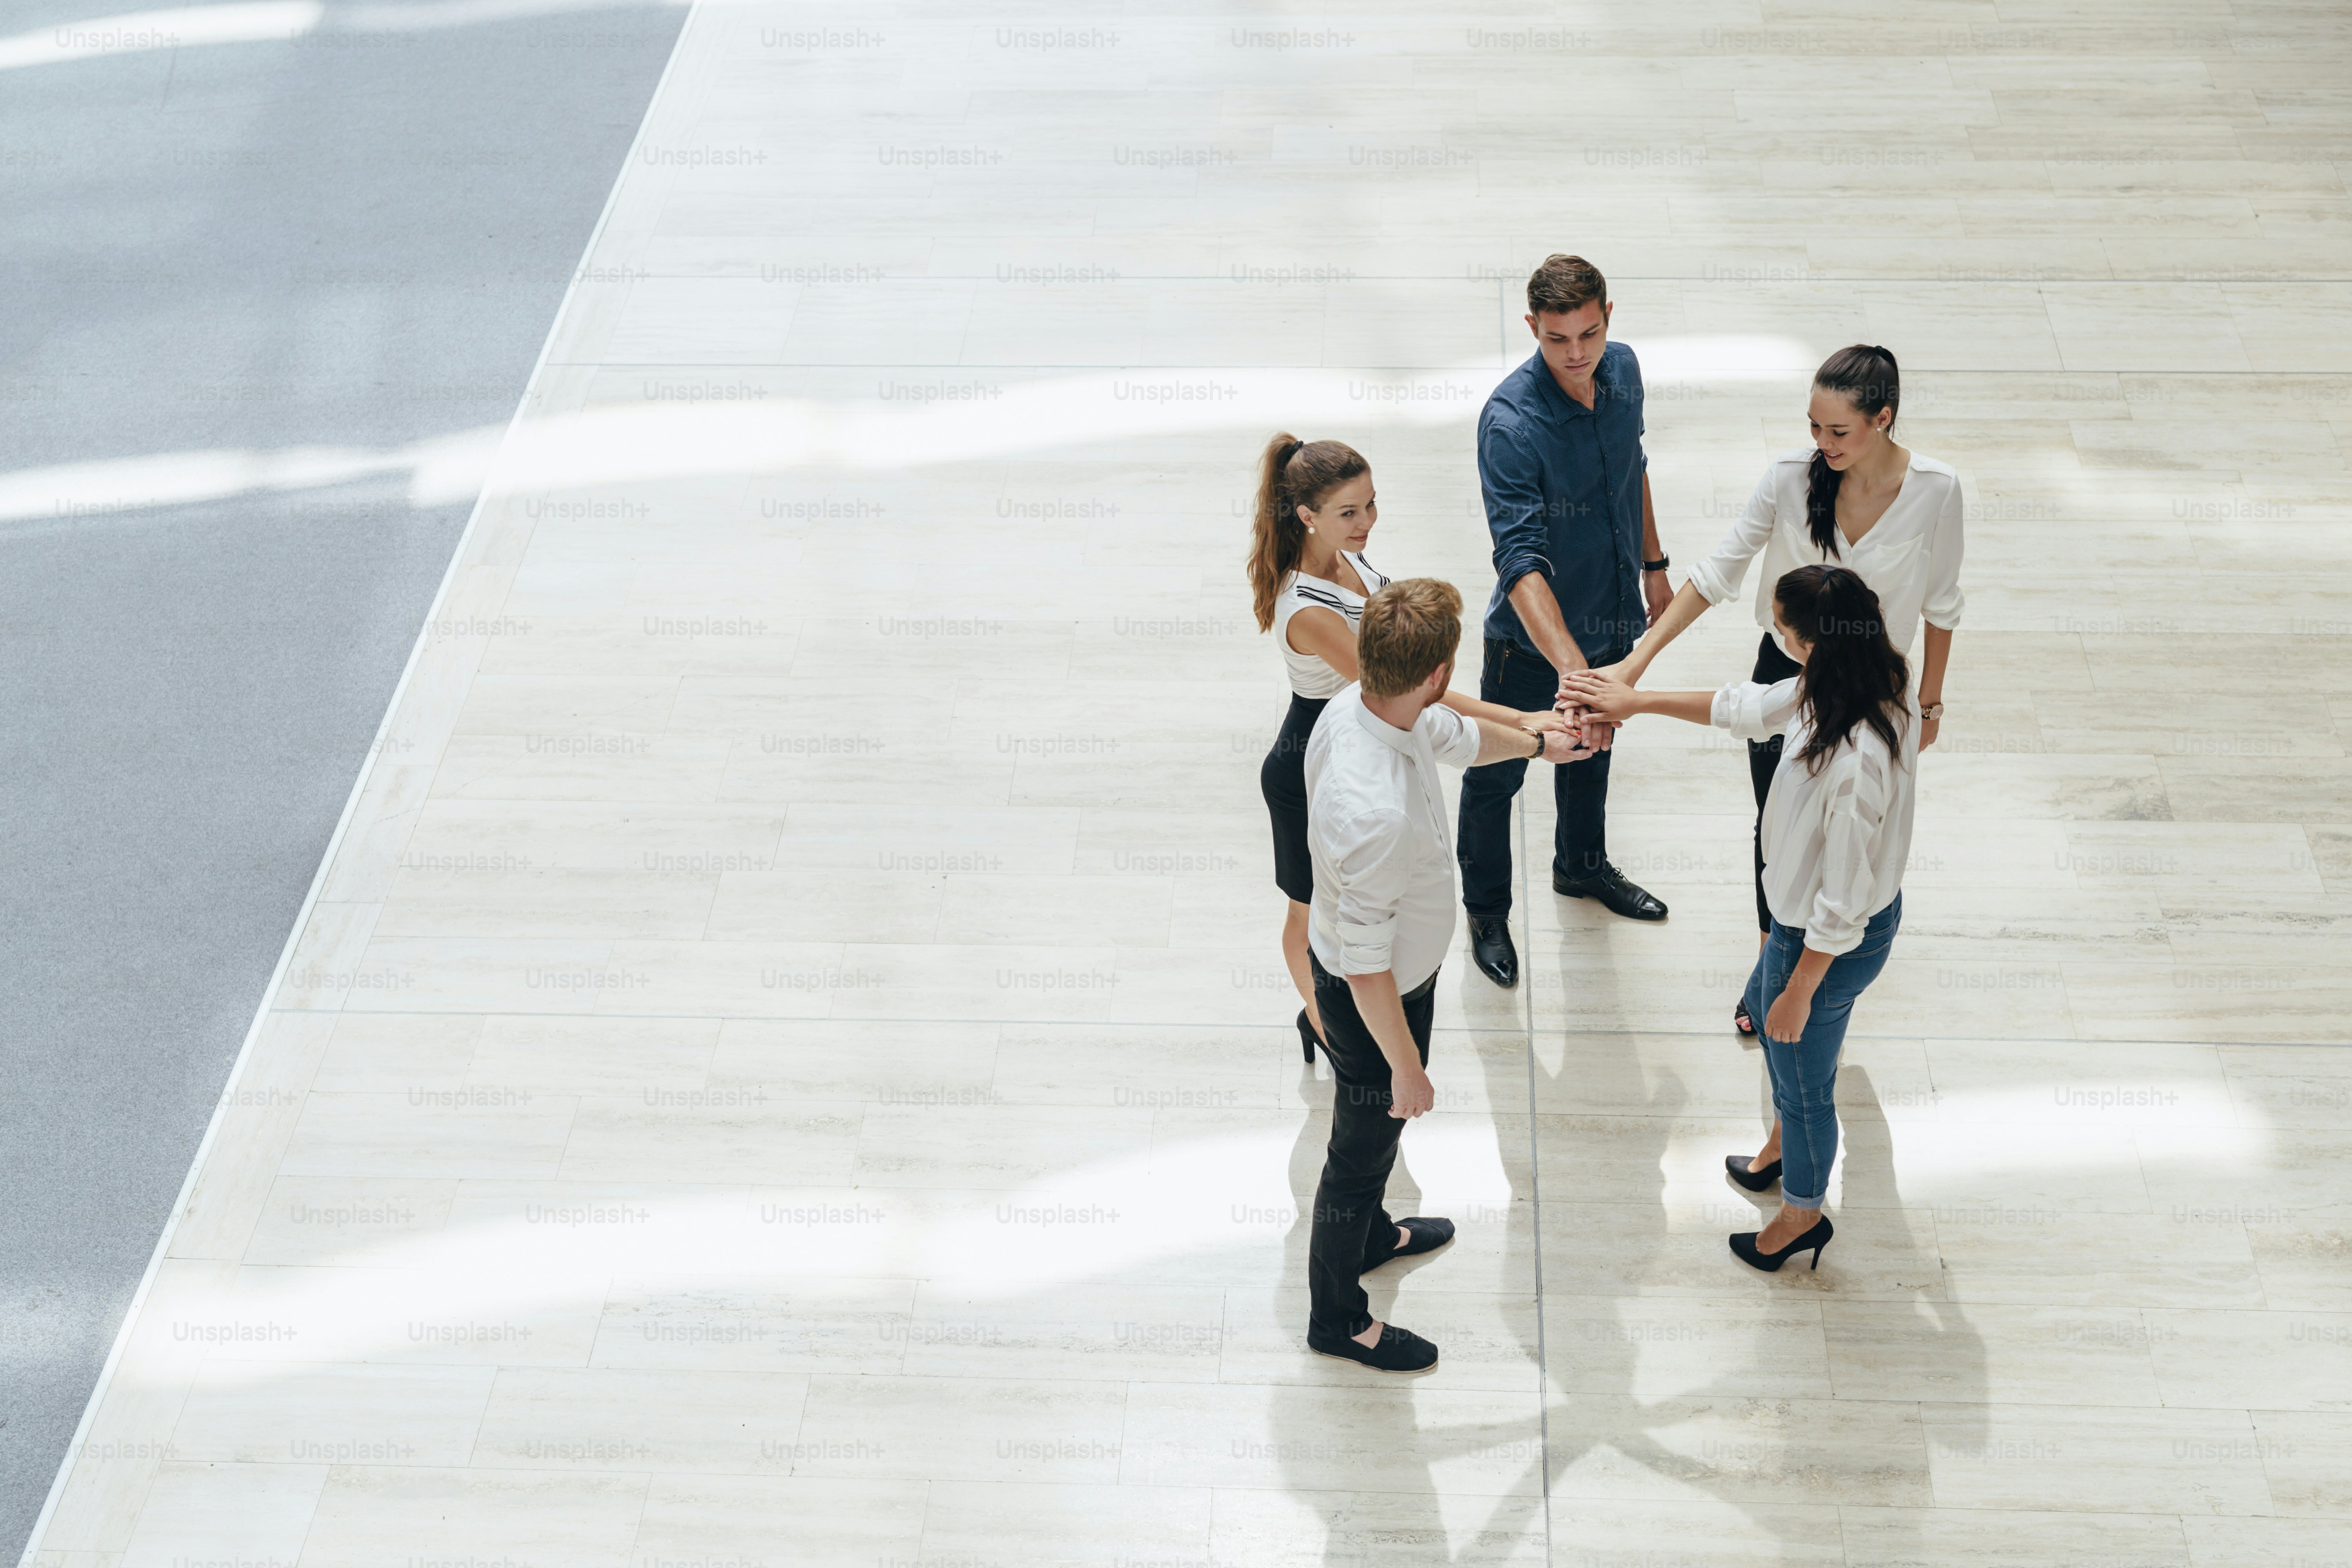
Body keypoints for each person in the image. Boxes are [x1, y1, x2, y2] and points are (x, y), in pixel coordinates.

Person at [1563, 564, 1918, 1274]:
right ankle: (1787, 1143)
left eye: (1782, 630)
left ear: (1814, 643)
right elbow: (1745, 708)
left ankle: (1802, 1213)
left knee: (1805, 1075)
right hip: (1807, 931)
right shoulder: (1851, 679)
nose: (1775, 638)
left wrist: (1801, 987)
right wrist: (1636, 700)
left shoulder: (1854, 761)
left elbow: (1841, 904)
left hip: (1824, 940)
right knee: (1771, 1019)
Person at [1597, 343, 1961, 1033]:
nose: (1822, 445)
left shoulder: (1937, 491)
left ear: (1883, 420)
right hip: (1786, 666)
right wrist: (1635, 666)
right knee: (1778, 820)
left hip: (1875, 683)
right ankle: (1773, 966)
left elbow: (1943, 606)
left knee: (1856, 820)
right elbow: (1718, 572)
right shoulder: (1792, 477)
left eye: (1839, 432)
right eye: (1814, 428)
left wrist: (1931, 705)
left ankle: (1823, 970)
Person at [1304, 577, 1594, 1369]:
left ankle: (1375, 1238)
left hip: (1404, 980)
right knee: (1356, 1158)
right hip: (1378, 1001)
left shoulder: (1365, 706)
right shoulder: (1374, 812)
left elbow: (1458, 738)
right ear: (1439, 670)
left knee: (1373, 1150)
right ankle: (1337, 1318)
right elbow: (1364, 970)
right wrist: (1407, 1069)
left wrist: (1541, 743)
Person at [1249, 432, 1564, 1060]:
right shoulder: (1308, 609)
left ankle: (1336, 1023)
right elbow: (1416, 687)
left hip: (1361, 733)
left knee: (1340, 906)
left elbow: (1415, 688)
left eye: (1371, 504)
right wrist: (1525, 718)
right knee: (1310, 914)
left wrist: (1523, 722)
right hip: (1311, 760)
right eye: (1349, 512)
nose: (1367, 522)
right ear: (1306, 517)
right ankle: (1324, 1026)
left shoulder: (1347, 557)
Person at [1456, 253, 1675, 991]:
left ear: (1609, 315)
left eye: (1589, 334)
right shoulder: (1510, 423)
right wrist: (1573, 672)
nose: (1577, 355)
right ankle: (1486, 912)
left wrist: (1655, 564)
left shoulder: (1626, 371)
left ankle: (1580, 869)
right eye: (1557, 340)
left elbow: (1633, 467)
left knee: (1594, 752)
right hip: (1531, 643)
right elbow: (1518, 563)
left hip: (1613, 613)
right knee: (1499, 774)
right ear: (1531, 329)